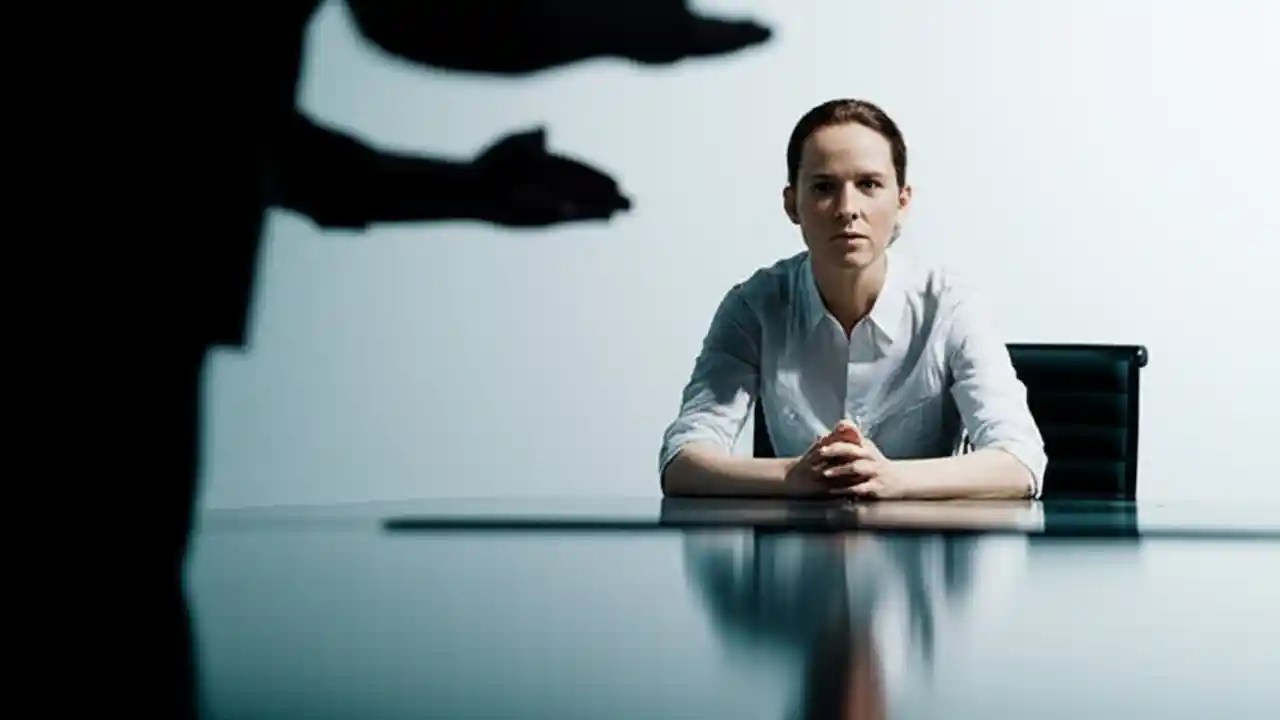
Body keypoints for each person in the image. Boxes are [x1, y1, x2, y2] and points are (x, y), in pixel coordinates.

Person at [659, 98, 1046, 501]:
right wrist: (792, 475)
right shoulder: (754, 306)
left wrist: (890, 479)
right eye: (824, 187)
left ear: (902, 201)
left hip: (923, 552)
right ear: (792, 203)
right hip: (798, 554)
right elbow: (683, 460)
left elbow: (1020, 460)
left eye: (869, 185)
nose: (848, 210)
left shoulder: (950, 305)